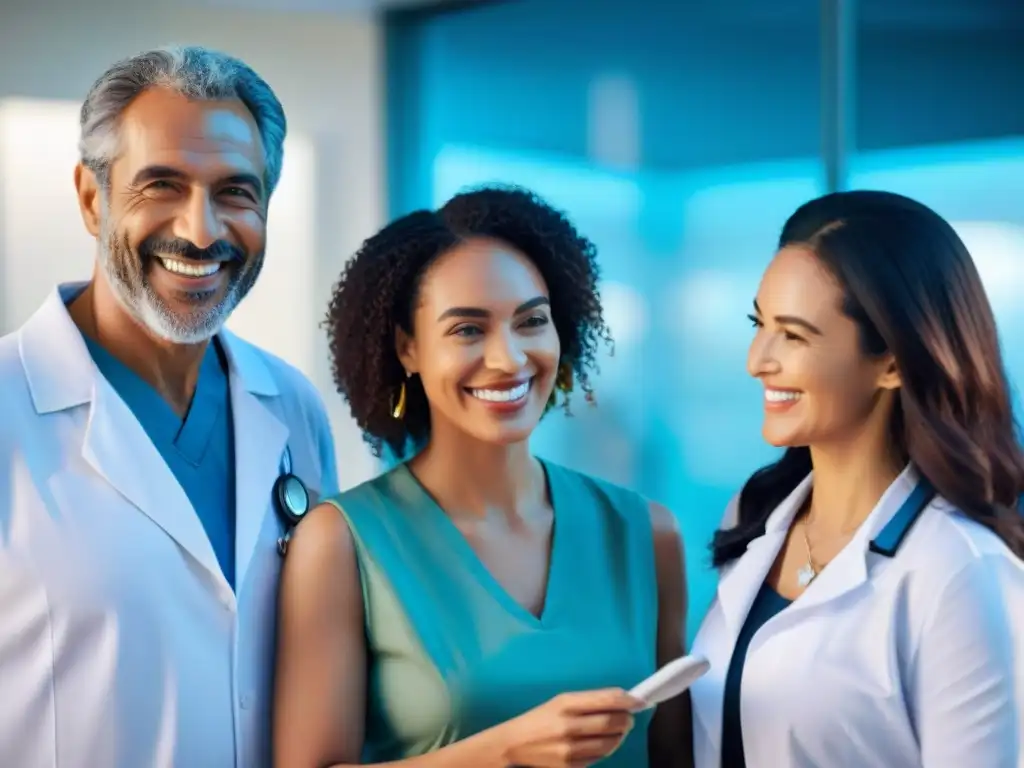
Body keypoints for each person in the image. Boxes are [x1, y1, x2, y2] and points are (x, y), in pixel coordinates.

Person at [0, 46, 338, 768]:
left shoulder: (294, 410)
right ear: (92, 199)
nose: (201, 230)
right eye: (161, 185)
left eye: (236, 192)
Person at [273, 186, 692, 767]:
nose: (509, 359)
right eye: (468, 330)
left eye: (531, 321)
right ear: (407, 348)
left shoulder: (645, 535)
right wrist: (506, 749)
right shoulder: (343, 542)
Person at [689, 190, 1024, 767]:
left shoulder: (962, 570)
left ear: (892, 362)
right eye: (758, 323)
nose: (756, 360)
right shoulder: (756, 513)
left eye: (794, 334)